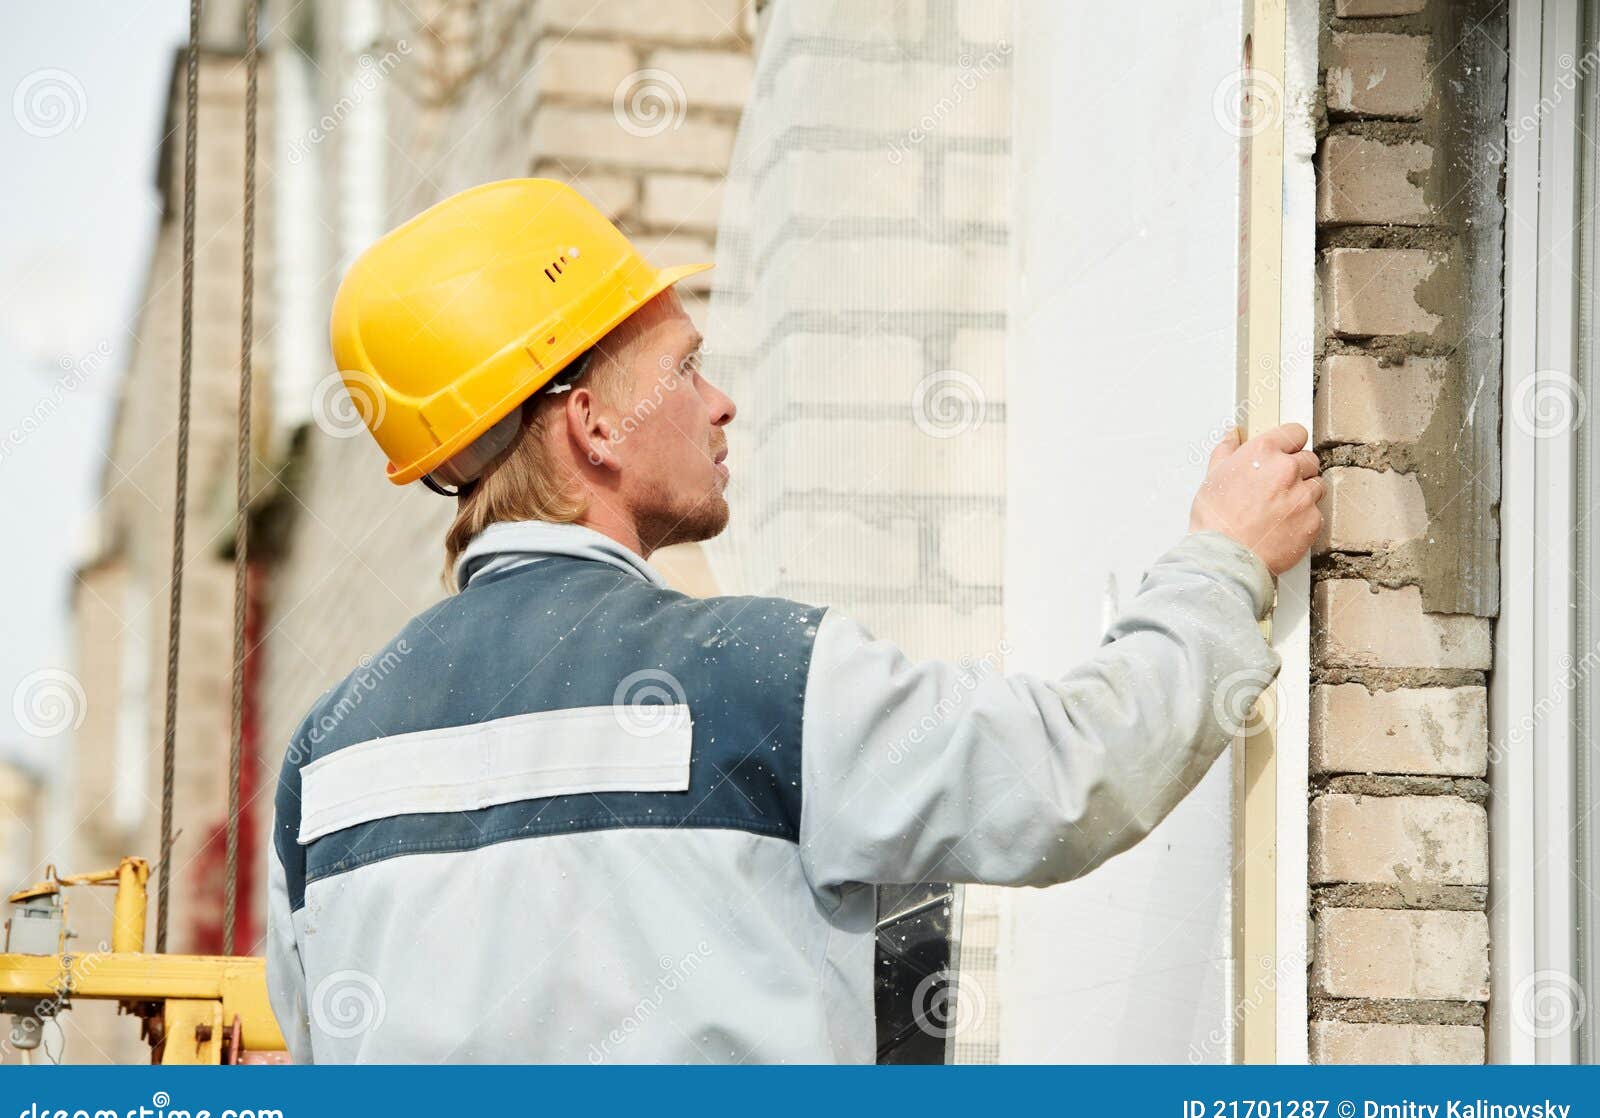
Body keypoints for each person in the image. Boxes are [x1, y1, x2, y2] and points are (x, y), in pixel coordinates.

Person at [266, 179, 1323, 1063]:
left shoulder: (327, 758)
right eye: (683, 366)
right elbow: (1069, 774)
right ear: (592, 424)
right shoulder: (757, 677)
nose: (720, 401)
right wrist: (1222, 563)